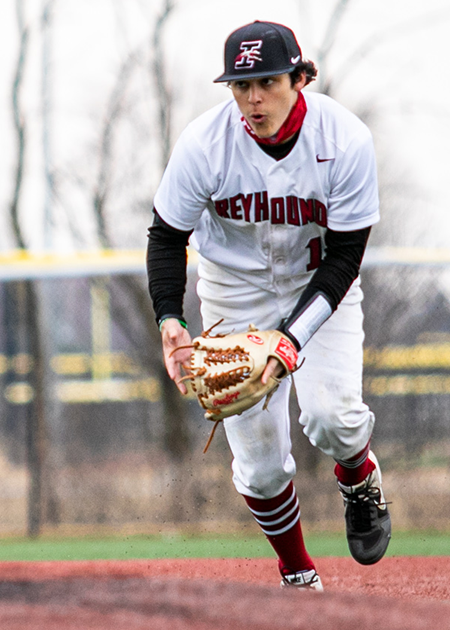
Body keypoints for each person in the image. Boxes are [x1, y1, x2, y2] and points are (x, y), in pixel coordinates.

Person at [145, 20, 390, 590]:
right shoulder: (205, 144)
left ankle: (358, 477)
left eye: (268, 82)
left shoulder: (345, 139)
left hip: (320, 288)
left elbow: (346, 254)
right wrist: (170, 318)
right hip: (234, 294)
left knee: (334, 420)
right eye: (240, 85)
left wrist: (292, 339)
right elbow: (165, 236)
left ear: (302, 78)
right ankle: (298, 574)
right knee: (256, 463)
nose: (253, 99)